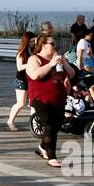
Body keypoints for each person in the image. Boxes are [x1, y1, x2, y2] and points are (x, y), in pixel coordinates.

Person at [25, 35, 66, 168]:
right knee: (50, 124)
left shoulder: (57, 59)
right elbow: (35, 75)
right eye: (52, 44)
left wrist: (64, 63)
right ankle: (52, 157)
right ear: (44, 45)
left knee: (59, 123)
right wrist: (50, 64)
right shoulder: (34, 59)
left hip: (58, 97)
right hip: (40, 98)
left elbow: (71, 74)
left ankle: (43, 147)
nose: (55, 46)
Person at [7, 31, 37, 130]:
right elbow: (19, 67)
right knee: (21, 103)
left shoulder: (33, 51)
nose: (33, 43)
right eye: (32, 41)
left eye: (34, 41)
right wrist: (31, 63)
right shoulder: (21, 53)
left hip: (31, 79)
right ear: (27, 41)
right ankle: (10, 121)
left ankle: (34, 123)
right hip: (21, 81)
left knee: (33, 102)